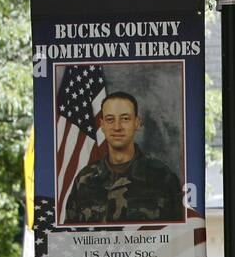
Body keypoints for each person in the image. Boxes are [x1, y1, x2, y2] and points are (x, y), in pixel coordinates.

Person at [65, 91, 184, 223]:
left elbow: (177, 237)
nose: (117, 127)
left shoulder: (163, 178)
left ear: (137, 123)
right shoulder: (84, 180)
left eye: (125, 119)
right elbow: (70, 236)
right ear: (102, 125)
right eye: (110, 120)